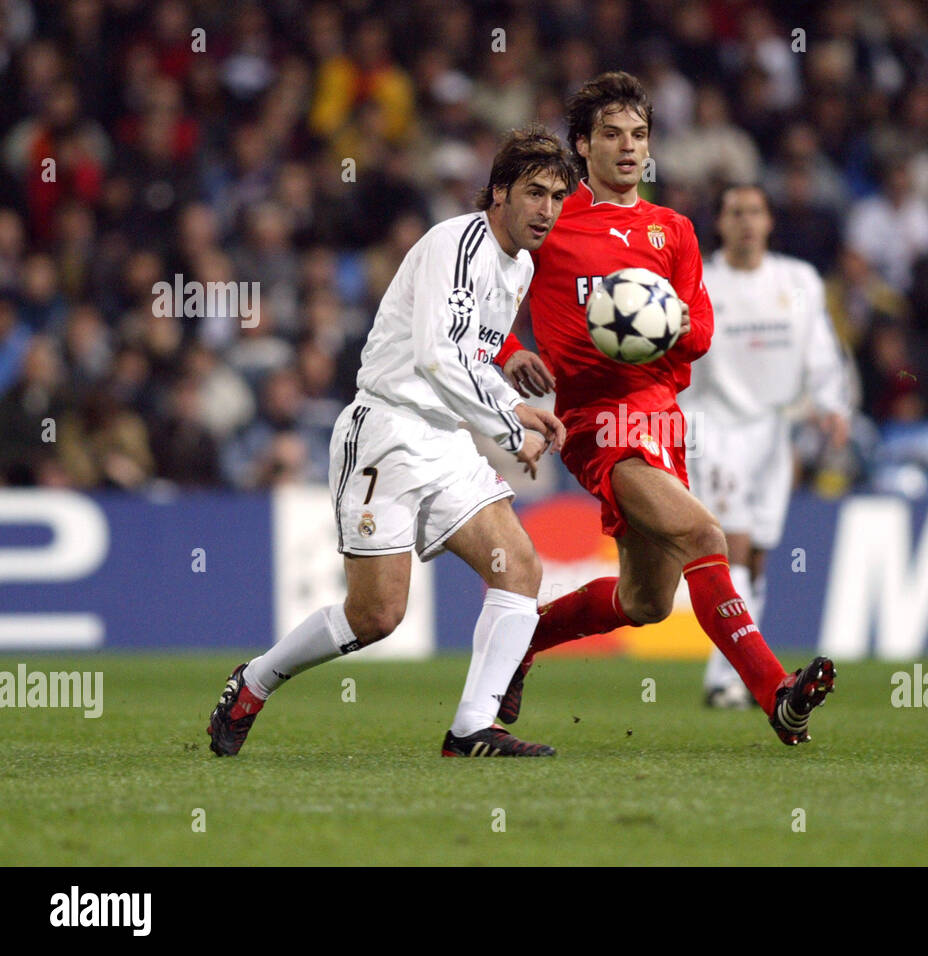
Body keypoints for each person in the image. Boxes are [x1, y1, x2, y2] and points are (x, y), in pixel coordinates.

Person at [206, 125, 575, 758]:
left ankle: (470, 729)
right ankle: (255, 680)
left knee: (519, 567)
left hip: (446, 438)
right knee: (377, 615)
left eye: (559, 196)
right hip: (386, 432)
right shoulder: (455, 242)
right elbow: (434, 357)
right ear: (500, 192)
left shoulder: (520, 267)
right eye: (535, 192)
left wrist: (513, 399)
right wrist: (510, 423)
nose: (547, 209)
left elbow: (468, 354)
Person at [494, 73, 836, 746]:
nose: (629, 149)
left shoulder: (672, 230)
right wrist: (511, 354)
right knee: (707, 537)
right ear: (584, 146)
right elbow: (484, 304)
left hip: (662, 420)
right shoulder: (552, 223)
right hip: (599, 422)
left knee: (644, 601)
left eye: (640, 135)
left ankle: (519, 643)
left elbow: (703, 333)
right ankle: (777, 696)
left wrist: (660, 321)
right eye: (613, 135)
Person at [679, 184, 852, 707]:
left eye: (755, 211)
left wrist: (832, 403)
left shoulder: (797, 280)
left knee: (756, 558)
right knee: (730, 548)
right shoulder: (701, 279)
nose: (747, 221)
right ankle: (725, 679)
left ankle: (742, 674)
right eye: (735, 212)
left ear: (769, 220)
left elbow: (820, 348)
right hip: (715, 427)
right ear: (722, 224)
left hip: (774, 431)